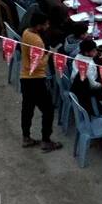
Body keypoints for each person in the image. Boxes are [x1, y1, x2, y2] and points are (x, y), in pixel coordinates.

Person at [20, 15, 62, 151]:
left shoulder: (26, 32)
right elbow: (38, 64)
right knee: (48, 110)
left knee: (27, 109)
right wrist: (49, 54)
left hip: (25, 77)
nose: (47, 27)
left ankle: (26, 137)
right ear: (38, 26)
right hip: (36, 80)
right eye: (45, 24)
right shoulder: (37, 41)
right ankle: (46, 140)